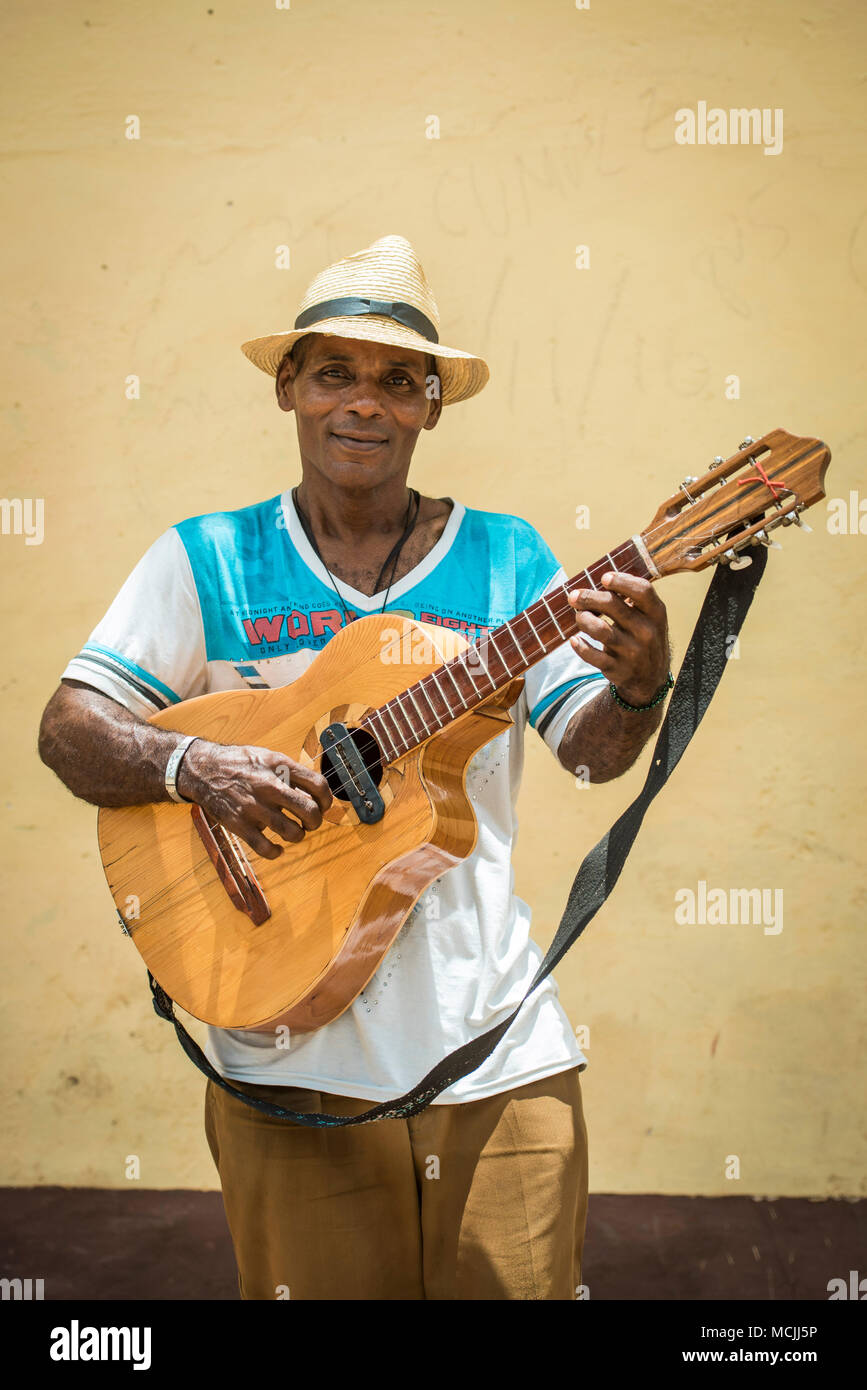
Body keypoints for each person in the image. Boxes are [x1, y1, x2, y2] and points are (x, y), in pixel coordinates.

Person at [38, 234, 671, 1301]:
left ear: (432, 406)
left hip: (492, 1054)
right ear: (290, 387)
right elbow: (71, 727)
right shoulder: (206, 558)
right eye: (335, 371)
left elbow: (592, 751)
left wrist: (644, 685)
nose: (364, 403)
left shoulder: (510, 559)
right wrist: (197, 766)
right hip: (284, 1066)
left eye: (397, 381)